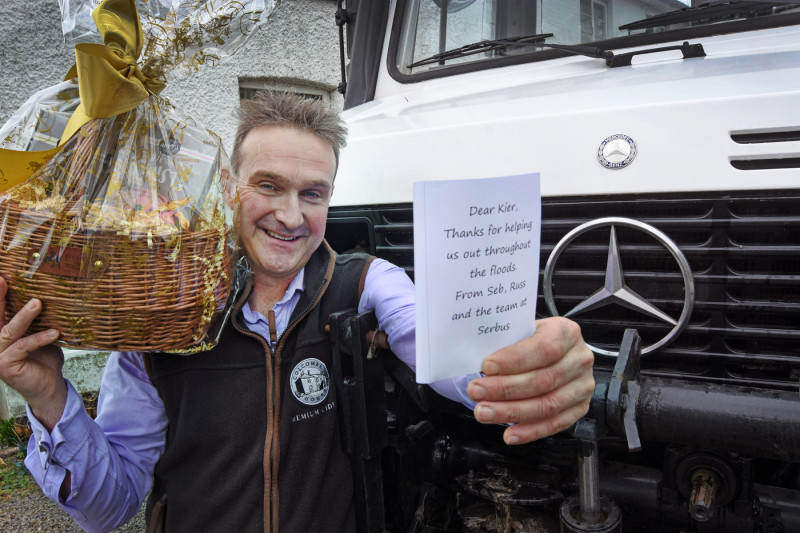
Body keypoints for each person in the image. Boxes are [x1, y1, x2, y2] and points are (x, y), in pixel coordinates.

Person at [0, 91, 595, 532]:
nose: (291, 216)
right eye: (269, 186)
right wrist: (51, 396)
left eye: (313, 193)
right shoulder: (164, 323)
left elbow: (442, 348)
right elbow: (111, 507)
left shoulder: (365, 285)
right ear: (229, 186)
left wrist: (524, 367)